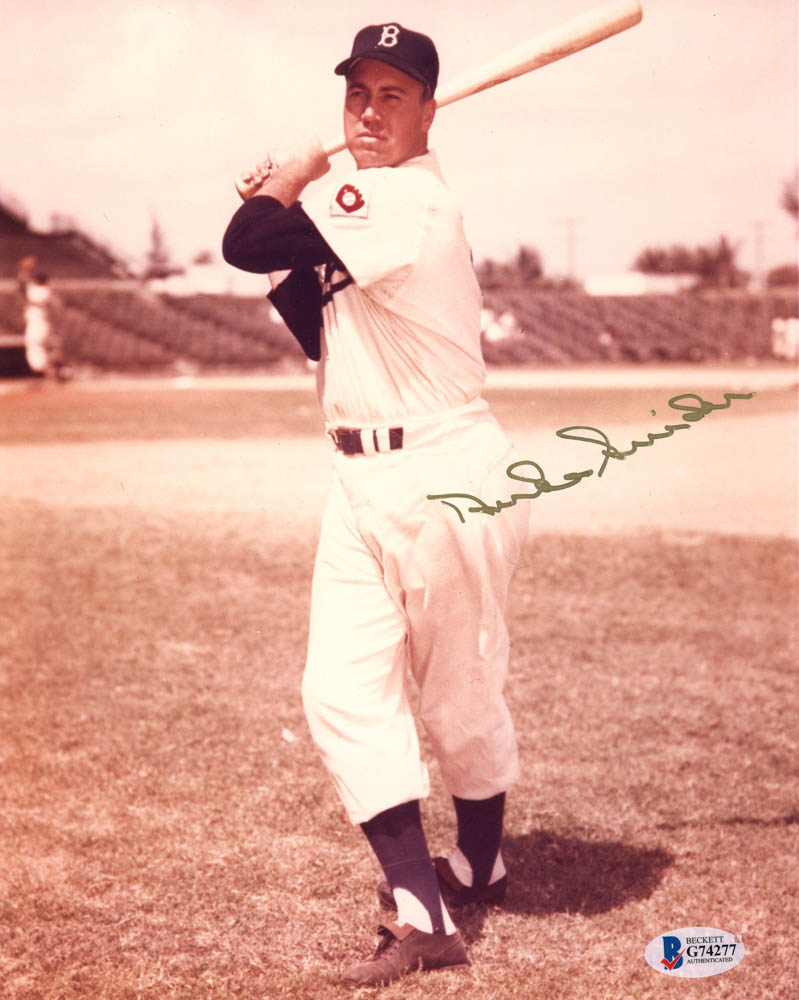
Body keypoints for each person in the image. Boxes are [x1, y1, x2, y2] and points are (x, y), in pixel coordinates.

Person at [222, 22, 529, 989]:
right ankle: (423, 908)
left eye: (393, 95)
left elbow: (244, 240)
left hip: (444, 469)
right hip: (360, 473)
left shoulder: (403, 198)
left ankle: (479, 861)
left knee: (458, 691)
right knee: (342, 689)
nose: (369, 110)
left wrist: (295, 175)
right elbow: (306, 313)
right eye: (358, 92)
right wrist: (290, 213)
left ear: (429, 113)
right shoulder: (369, 213)